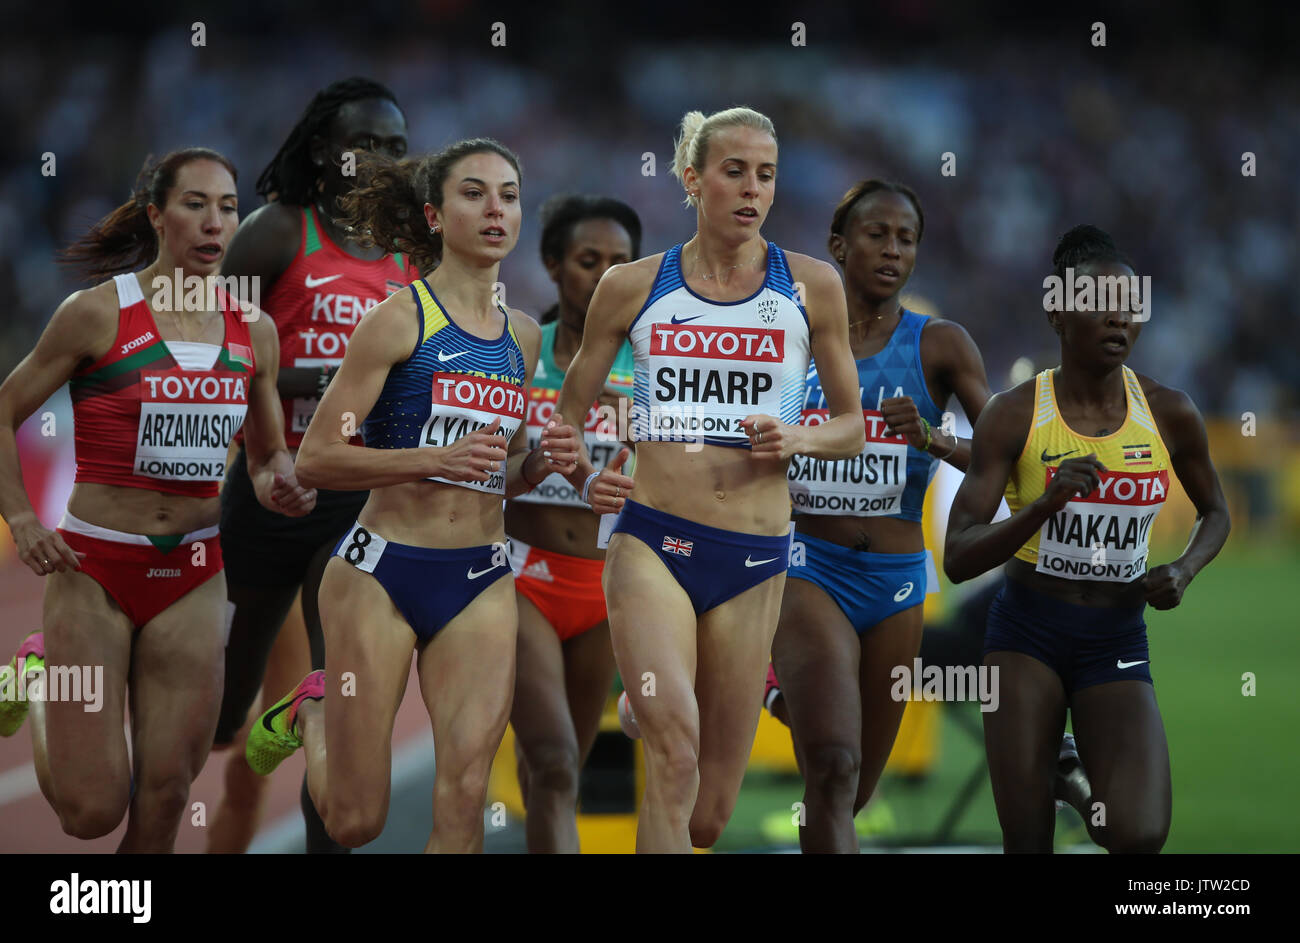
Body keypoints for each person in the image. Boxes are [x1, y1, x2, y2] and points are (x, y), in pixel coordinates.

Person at [243, 139, 580, 853]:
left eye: (509, 194)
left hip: (482, 577)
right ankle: (312, 708)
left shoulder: (522, 337)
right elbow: (319, 455)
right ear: (433, 214)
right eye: (474, 193)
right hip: (381, 570)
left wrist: (542, 461)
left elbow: (506, 466)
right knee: (355, 820)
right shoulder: (399, 320)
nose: (496, 208)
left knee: (463, 797)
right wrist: (433, 457)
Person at [554, 107, 865, 853]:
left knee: (707, 815)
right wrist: (586, 475)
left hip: (755, 557)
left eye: (766, 174)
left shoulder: (814, 286)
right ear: (693, 179)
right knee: (677, 753)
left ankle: (645, 701)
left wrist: (799, 435)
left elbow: (850, 426)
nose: (752, 189)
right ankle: (657, 705)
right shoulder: (633, 286)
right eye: (734, 171)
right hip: (653, 539)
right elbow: (564, 417)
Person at [0, 149, 314, 851]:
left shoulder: (253, 331)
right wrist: (22, 515)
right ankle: (37, 672)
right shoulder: (96, 314)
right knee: (91, 809)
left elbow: (264, 457)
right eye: (195, 205)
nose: (214, 223)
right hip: (94, 571)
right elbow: (3, 410)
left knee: (168, 792)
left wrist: (280, 483)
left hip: (194, 574)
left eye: (228, 207)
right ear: (155, 214)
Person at [944, 224, 1230, 853]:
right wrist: (1043, 504)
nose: (1119, 322)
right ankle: (1060, 772)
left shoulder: (1170, 412)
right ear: (1057, 312)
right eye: (1100, 306)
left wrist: (1183, 570)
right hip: (1025, 633)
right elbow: (959, 554)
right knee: (1027, 844)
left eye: (1131, 310)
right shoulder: (1015, 414)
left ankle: (1068, 776)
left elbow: (1216, 513)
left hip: (1117, 637)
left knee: (1137, 835)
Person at [208, 76, 416, 854]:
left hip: (352, 504)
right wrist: (313, 381)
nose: (387, 158)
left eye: (398, 145)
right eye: (369, 143)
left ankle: (310, 730)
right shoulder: (276, 233)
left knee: (340, 699)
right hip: (267, 489)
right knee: (224, 717)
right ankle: (259, 715)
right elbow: (208, 347)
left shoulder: (410, 255)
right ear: (328, 153)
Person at [771, 179, 992, 852]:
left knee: (853, 785)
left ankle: (771, 693)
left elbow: (1005, 454)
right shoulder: (788, 337)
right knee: (834, 765)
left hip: (898, 582)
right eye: (876, 234)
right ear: (839, 246)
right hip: (811, 569)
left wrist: (933, 440)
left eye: (906, 238)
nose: (893, 249)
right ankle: (769, 682)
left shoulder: (941, 346)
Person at [504, 194, 641, 852]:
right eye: (591, 261)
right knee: (555, 759)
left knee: (555, 773)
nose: (608, 276)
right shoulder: (518, 356)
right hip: (521, 575)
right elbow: (478, 472)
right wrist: (534, 465)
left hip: (606, 587)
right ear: (554, 266)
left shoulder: (652, 370)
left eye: (622, 262)